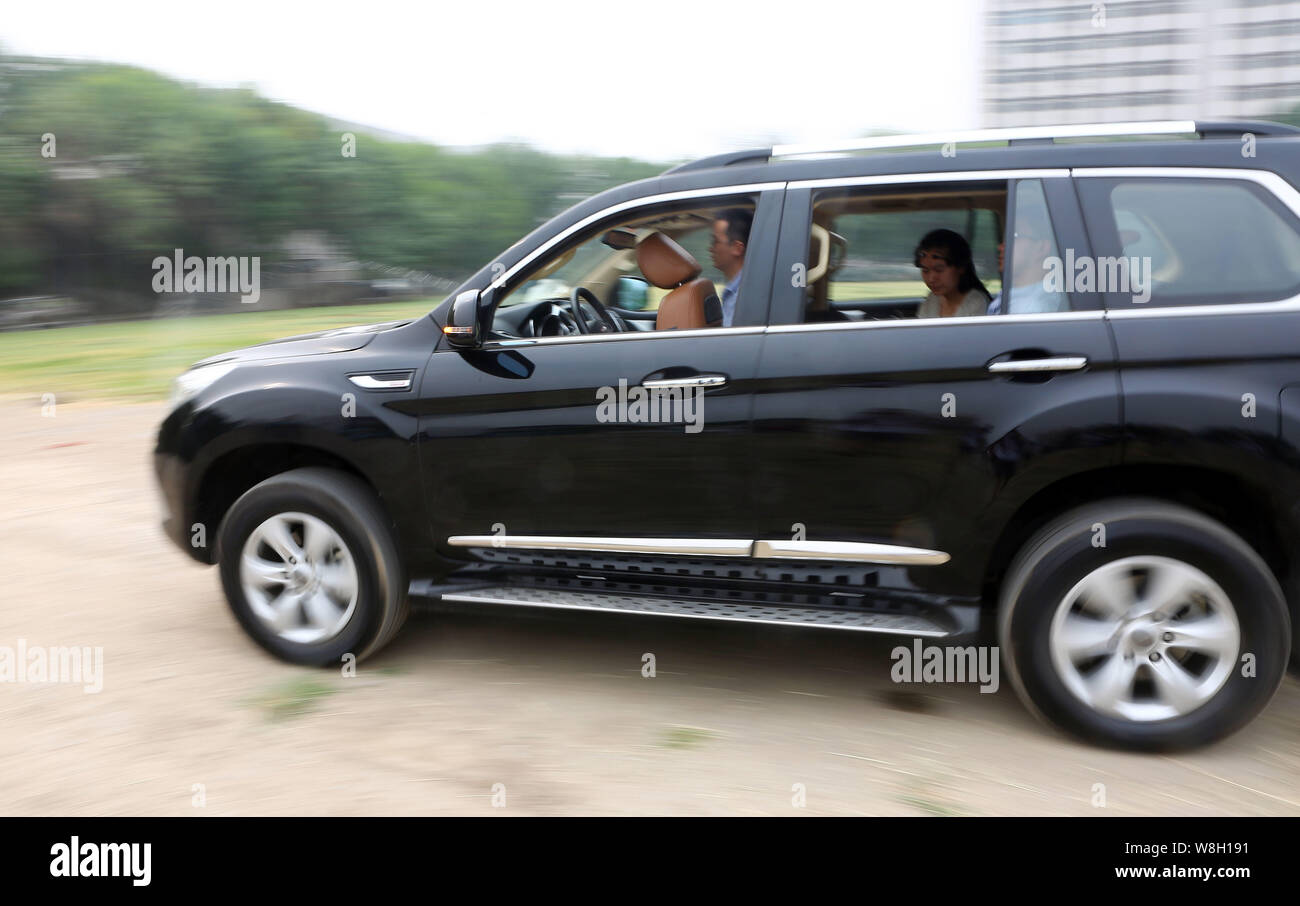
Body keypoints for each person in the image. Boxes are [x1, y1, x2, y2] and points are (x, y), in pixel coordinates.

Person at [987, 206, 1068, 315]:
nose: (1001, 247)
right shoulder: (1016, 297)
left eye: (1014, 236)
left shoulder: (1029, 310)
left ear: (1042, 248)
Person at [913, 229, 991, 318]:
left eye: (939, 270)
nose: (931, 278)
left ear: (960, 267)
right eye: (925, 270)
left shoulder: (977, 303)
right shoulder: (932, 300)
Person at [709, 208, 751, 327]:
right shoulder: (738, 291)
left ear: (737, 248)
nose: (710, 248)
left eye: (715, 241)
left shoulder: (741, 298)